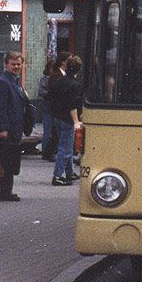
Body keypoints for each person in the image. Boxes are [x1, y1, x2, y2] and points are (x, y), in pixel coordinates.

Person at [0, 51, 27, 201]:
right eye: (13, 64)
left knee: (11, 160)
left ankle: (6, 190)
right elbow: (1, 107)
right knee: (5, 161)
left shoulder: (14, 81)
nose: (16, 67)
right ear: (6, 65)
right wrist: (3, 128)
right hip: (8, 128)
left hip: (15, 128)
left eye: (19, 64)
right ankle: (3, 192)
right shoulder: (3, 82)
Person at [48, 56, 84, 186]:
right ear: (78, 70)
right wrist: (76, 121)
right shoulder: (75, 85)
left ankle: (70, 172)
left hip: (57, 117)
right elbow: (72, 105)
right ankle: (57, 176)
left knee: (65, 145)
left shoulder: (59, 81)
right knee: (65, 148)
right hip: (68, 120)